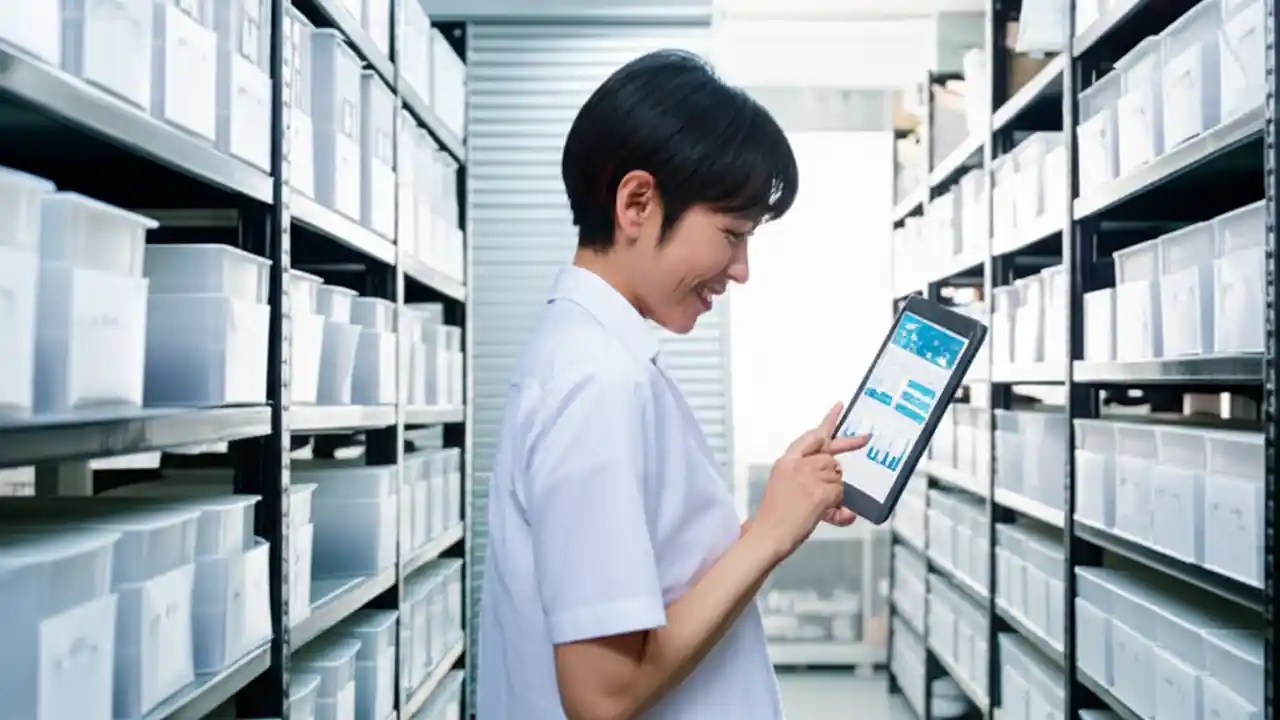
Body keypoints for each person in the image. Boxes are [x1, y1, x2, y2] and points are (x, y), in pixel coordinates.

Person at [476, 49, 867, 720]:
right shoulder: (595, 383)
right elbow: (601, 694)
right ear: (637, 203)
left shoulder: (596, 358)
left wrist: (778, 514)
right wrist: (768, 534)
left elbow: (653, 586)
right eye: (732, 234)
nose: (740, 269)